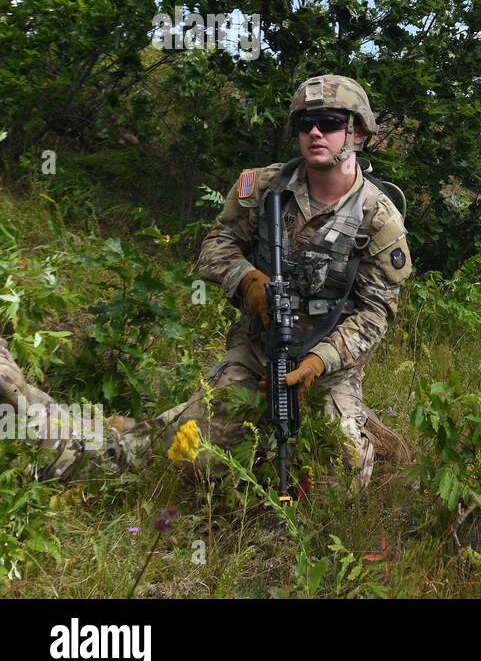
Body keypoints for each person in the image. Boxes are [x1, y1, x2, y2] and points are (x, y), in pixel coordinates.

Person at [0, 75, 412, 489]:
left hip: (328, 370)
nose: (315, 132)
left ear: (358, 132)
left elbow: (376, 314)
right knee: (186, 461)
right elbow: (216, 246)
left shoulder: (379, 219)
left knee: (340, 484)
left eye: (330, 121)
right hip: (257, 350)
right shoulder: (263, 189)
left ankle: (354, 425)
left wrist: (319, 360)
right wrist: (248, 281)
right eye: (305, 123)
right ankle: (56, 417)